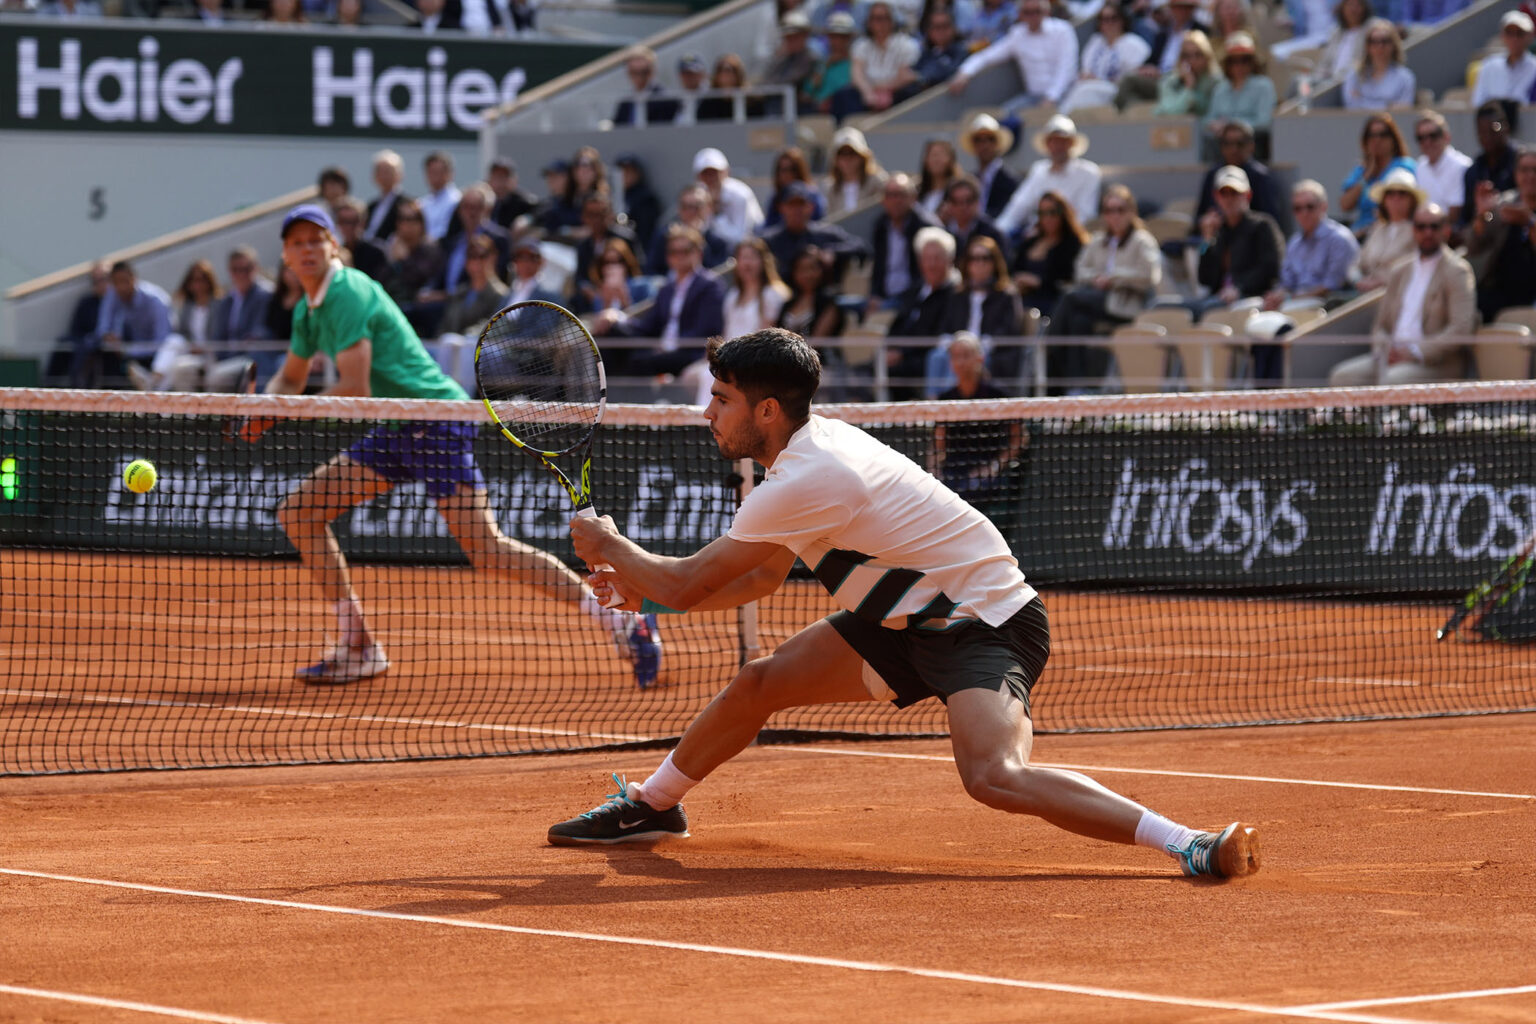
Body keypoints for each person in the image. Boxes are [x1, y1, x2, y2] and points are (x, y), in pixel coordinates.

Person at [548, 327, 1261, 882]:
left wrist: (612, 546)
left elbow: (686, 582)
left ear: (766, 410)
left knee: (994, 777)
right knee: (759, 682)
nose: (709, 413)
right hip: (897, 622)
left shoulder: (808, 476)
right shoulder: (798, 461)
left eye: (721, 398)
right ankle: (653, 806)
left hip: (983, 622)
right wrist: (642, 584)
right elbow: (758, 580)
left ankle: (1187, 843)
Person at [255, 204, 662, 687]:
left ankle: (622, 621)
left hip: (433, 418)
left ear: (332, 245)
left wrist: (279, 411)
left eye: (314, 239)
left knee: (486, 550)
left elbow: (355, 384)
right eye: (296, 242)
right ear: (284, 255)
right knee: (301, 511)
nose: (306, 249)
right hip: (398, 422)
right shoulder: (307, 308)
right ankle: (359, 644)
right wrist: (260, 407)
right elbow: (293, 376)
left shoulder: (348, 291)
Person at [1328, 204, 1474, 386]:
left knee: (1392, 380)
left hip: (1435, 363)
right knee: (1342, 376)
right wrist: (1386, 350)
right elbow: (1380, 326)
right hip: (1391, 357)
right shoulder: (1400, 270)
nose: (1427, 232)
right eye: (1421, 226)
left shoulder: (1458, 271)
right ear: (1414, 230)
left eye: (1434, 226)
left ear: (1446, 230)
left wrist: (1415, 352)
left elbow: (1461, 330)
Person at [1046, 185, 1162, 393]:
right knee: (1077, 322)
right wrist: (1096, 279)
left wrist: (1114, 278)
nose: (1114, 216)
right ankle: (1078, 387)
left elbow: (1150, 275)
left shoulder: (1142, 240)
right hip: (1095, 301)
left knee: (1071, 298)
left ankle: (1051, 341)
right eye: (1109, 210)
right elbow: (1080, 269)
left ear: (1131, 212)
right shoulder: (1098, 240)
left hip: (1124, 305)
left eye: (1120, 210)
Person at [593, 224, 727, 377]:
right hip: (660, 347)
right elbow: (648, 327)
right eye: (673, 252)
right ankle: (607, 393)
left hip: (688, 351)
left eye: (685, 251)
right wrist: (617, 318)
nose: (679, 256)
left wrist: (668, 345)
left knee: (640, 361)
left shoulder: (710, 284)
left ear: (698, 253)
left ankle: (624, 396)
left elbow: (707, 329)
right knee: (610, 332)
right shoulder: (667, 289)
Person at [948, 0, 1078, 112]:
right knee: (1002, 118)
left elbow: (1066, 69)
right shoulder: (1018, 35)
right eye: (1028, 12)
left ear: (1046, 12)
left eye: (1037, 11)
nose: (1033, 16)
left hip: (1066, 95)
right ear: (1020, 14)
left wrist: (1051, 98)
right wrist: (964, 73)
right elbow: (987, 56)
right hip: (1033, 98)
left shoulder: (1063, 30)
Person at [1194, 164, 1285, 317]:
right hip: (1217, 299)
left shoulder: (1263, 225)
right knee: (1163, 307)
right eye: (1224, 193)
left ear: (1247, 195)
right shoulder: (1219, 231)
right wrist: (1206, 240)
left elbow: (1269, 269)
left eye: (1235, 193)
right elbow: (1204, 279)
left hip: (1251, 299)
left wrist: (1239, 288)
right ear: (1217, 197)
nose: (1229, 199)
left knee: (1208, 310)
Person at [995, 115, 1101, 241]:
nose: (1058, 146)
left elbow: (1086, 216)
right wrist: (996, 234)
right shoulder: (1039, 170)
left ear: (1071, 144)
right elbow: (1018, 206)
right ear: (1047, 144)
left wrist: (1054, 232)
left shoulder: (1089, 173)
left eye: (1063, 141)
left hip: (1070, 241)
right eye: (1053, 141)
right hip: (1038, 238)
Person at [936, 234, 1022, 389]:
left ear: (994, 263)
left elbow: (1010, 329)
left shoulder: (1007, 295)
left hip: (990, 353)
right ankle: (934, 405)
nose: (979, 263)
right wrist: (954, 346)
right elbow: (946, 327)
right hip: (959, 347)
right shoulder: (958, 295)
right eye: (974, 258)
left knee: (968, 360)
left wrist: (977, 347)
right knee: (937, 357)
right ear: (967, 264)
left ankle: (956, 404)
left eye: (985, 258)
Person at [1263, 180, 1359, 313]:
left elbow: (1331, 287)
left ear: (1323, 207)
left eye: (1310, 207)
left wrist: (1290, 298)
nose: (1304, 213)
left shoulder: (1339, 239)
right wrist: (1276, 296)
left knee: (1279, 314)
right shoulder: (1294, 243)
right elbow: (1286, 282)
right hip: (1294, 302)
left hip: (1327, 308)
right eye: (1298, 208)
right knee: (1255, 310)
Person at [888, 226, 962, 397]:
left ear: (950, 260)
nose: (931, 265)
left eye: (937, 258)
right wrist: (890, 349)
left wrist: (901, 354)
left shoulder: (956, 293)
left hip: (927, 360)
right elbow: (898, 324)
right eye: (927, 258)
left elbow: (941, 334)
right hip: (901, 356)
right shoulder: (914, 292)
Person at [1466, 149, 1536, 325]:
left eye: (1535, 169)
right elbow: (1475, 245)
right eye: (1524, 170)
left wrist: (1530, 222)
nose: (1530, 176)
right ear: (1516, 173)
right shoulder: (1503, 204)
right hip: (1498, 291)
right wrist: (1482, 215)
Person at [1114, 0, 1211, 109]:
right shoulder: (1163, 34)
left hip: (1182, 81)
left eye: (1186, 7)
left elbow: (1203, 61)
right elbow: (1151, 61)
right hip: (1160, 80)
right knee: (1130, 84)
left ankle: (1113, 114)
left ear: (1192, 10)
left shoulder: (1202, 31)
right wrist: (1150, 68)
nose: (1181, 11)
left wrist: (1179, 74)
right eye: (1177, 7)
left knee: (1129, 81)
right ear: (1171, 9)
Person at [835, 0, 921, 118]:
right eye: (874, 18)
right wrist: (868, 93)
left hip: (896, 90)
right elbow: (857, 74)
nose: (879, 23)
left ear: (892, 21)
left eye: (883, 18)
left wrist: (886, 90)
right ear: (869, 22)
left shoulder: (907, 44)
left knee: (911, 92)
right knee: (844, 95)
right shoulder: (861, 45)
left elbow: (906, 76)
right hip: (869, 91)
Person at [1061, 2, 1151, 113]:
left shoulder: (1134, 44)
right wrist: (1086, 76)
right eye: (1103, 19)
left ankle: (1063, 120)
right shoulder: (1095, 42)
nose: (1108, 23)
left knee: (1085, 91)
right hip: (1090, 88)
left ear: (1122, 20)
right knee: (1078, 89)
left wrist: (1099, 80)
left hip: (1117, 92)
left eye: (1113, 18)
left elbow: (1132, 79)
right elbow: (1086, 70)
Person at [869, 172, 941, 311]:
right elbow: (878, 267)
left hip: (915, 300)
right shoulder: (880, 226)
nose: (896, 200)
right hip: (884, 298)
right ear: (883, 200)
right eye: (890, 195)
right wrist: (874, 295)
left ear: (913, 198)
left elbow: (926, 276)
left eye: (901, 194)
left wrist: (905, 298)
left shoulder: (927, 227)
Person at [1192, 120, 1284, 228]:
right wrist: (1207, 224)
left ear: (1247, 195)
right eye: (1223, 193)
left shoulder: (1261, 177)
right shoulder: (1213, 174)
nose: (1233, 149)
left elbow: (1270, 222)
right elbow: (1200, 217)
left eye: (1239, 144)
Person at [1011, 189, 1087, 319]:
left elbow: (1069, 279)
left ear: (1063, 214)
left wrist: (1039, 282)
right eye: (1042, 213)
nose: (1048, 218)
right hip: (1022, 298)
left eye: (1053, 212)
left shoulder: (1073, 245)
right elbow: (1012, 269)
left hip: (1053, 302)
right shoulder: (1029, 243)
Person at [1339, 113, 1416, 237]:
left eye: (1383, 134)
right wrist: (1366, 176)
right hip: (1361, 233)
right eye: (1371, 135)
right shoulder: (1361, 170)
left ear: (1393, 139)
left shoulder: (1405, 166)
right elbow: (1345, 205)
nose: (1377, 140)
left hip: (1393, 232)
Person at [1203, 33, 1275, 159]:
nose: (1239, 65)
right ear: (1227, 64)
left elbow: (1265, 122)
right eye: (1233, 61)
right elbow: (1209, 120)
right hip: (1221, 148)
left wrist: (1231, 127)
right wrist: (1215, 126)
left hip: (1253, 148)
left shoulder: (1264, 85)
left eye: (1244, 60)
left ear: (1253, 62)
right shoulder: (1220, 89)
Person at [1458, 102, 1520, 231]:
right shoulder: (1473, 171)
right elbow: (1466, 217)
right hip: (1483, 241)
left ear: (1506, 127)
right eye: (1482, 131)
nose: (1488, 137)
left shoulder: (1522, 163)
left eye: (1493, 129)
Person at [1355, 168, 1420, 291]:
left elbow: (1417, 270)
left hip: (1397, 296)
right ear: (1384, 200)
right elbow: (1360, 262)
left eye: (1402, 193)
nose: (1396, 198)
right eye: (1390, 193)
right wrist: (1358, 279)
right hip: (1365, 295)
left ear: (1412, 200)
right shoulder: (1378, 229)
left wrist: (1382, 282)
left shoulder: (1419, 231)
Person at [645, 185, 731, 275]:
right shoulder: (664, 236)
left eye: (696, 206)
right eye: (685, 206)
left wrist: (698, 239)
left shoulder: (718, 241)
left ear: (708, 208)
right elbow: (651, 269)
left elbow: (715, 273)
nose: (690, 212)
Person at [694, 148, 766, 248]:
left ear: (725, 172)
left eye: (714, 172)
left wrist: (717, 213)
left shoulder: (740, 195)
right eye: (705, 173)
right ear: (699, 176)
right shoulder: (697, 195)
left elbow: (740, 238)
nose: (710, 178)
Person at [1412, 110, 1472, 228]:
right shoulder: (1420, 166)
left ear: (1446, 137)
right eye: (1421, 138)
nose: (1427, 142)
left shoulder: (1461, 166)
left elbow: (1454, 214)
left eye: (1433, 136)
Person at [724, 237, 792, 340]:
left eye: (752, 257)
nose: (747, 263)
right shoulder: (733, 294)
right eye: (743, 258)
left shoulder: (773, 293)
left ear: (763, 261)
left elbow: (768, 335)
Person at [776, 247, 847, 342]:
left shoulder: (830, 301)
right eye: (801, 269)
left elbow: (818, 340)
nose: (807, 274)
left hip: (818, 355)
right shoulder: (788, 302)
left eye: (812, 268)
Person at [1341, 19, 1415, 110]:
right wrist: (1388, 105)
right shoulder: (1354, 74)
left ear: (1394, 45)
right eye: (1374, 41)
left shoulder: (1405, 77)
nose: (1380, 46)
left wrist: (1362, 101)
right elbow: (1351, 106)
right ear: (1367, 46)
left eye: (1385, 41)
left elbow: (1404, 109)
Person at [957, 114, 1020, 221]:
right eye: (978, 140)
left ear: (997, 144)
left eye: (990, 139)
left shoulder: (1010, 180)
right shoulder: (970, 179)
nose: (984, 145)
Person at [1470, 11, 1536, 110]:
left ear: (1530, 36)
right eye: (1509, 33)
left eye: (1520, 33)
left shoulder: (1534, 67)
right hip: (1493, 124)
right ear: (1502, 35)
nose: (1514, 38)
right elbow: (1478, 102)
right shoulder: (1489, 65)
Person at [901, 7, 970, 99]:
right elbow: (913, 71)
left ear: (953, 28)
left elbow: (950, 73)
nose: (941, 31)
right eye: (936, 27)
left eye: (945, 26)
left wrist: (920, 77)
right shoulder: (928, 52)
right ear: (929, 31)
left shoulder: (960, 50)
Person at [821, 127, 889, 216]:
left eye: (852, 153)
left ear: (862, 157)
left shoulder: (878, 182)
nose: (847, 159)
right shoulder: (829, 187)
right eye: (842, 154)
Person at [1151, 29, 1219, 118]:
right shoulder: (1170, 81)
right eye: (1186, 56)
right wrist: (1189, 87)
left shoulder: (1216, 83)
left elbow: (1208, 112)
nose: (1192, 61)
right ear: (1180, 59)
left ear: (1207, 57)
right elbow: (1168, 113)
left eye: (1198, 55)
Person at [941, 177, 1009, 265]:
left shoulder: (992, 234)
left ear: (978, 202)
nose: (963, 207)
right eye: (957, 201)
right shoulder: (943, 234)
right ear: (949, 204)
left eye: (968, 201)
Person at [804, 11, 859, 116]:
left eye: (842, 37)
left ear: (849, 38)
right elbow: (807, 93)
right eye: (833, 36)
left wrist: (831, 100)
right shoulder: (821, 63)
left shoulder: (856, 63)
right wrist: (825, 67)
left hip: (846, 114)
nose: (837, 41)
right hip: (819, 115)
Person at [614, 47, 681, 126]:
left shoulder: (665, 99)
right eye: (633, 72)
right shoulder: (625, 102)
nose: (638, 77)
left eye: (643, 72)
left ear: (652, 70)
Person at [764, 148, 828, 229]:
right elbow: (768, 227)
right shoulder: (776, 198)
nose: (788, 174)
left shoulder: (812, 196)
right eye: (783, 170)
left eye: (793, 169)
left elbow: (820, 224)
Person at [613, 154, 662, 255]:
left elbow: (645, 230)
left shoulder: (646, 199)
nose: (624, 175)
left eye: (629, 171)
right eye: (621, 171)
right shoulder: (611, 196)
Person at [333, 198, 389, 284]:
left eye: (353, 222)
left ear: (363, 223)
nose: (348, 227)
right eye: (343, 221)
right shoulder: (333, 253)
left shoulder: (376, 253)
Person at [364, 149, 410, 242]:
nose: (385, 175)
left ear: (400, 174)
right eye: (381, 171)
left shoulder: (407, 204)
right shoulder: (371, 206)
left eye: (389, 171)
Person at [419, 151, 462, 242]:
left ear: (450, 173)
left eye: (440, 172)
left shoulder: (458, 200)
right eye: (432, 172)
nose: (435, 176)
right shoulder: (422, 203)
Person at [486, 157, 538, 233]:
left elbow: (540, 211)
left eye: (505, 177)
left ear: (514, 180)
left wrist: (527, 219)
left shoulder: (522, 201)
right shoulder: (482, 199)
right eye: (497, 177)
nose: (501, 182)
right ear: (489, 179)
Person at [918, 137, 964, 216]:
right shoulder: (918, 192)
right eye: (933, 155)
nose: (937, 160)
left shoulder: (958, 191)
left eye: (941, 155)